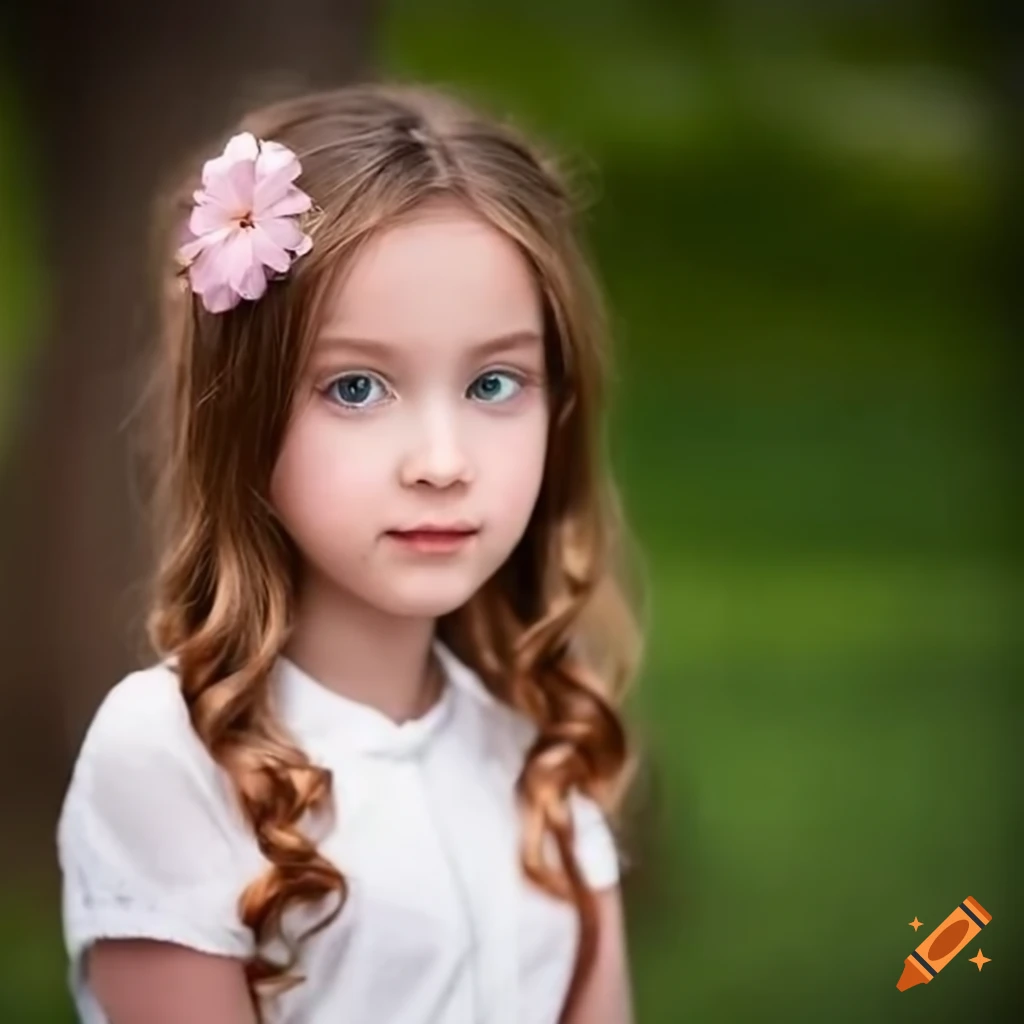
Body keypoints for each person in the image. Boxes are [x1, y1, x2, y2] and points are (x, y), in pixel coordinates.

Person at [56, 81, 644, 1024]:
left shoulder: (539, 740)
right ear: (244, 410)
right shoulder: (172, 757)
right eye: (359, 389)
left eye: (496, 381)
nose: (444, 463)